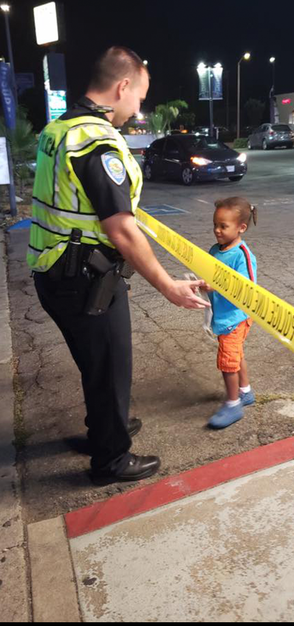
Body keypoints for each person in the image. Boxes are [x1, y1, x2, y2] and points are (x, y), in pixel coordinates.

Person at [28, 46, 209, 484]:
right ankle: (110, 460)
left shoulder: (59, 128)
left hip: (52, 269)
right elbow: (122, 229)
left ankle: (104, 429)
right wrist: (168, 286)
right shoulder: (96, 139)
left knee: (96, 363)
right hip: (84, 277)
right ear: (123, 85)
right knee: (110, 365)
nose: (138, 108)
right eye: (140, 97)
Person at [205, 198, 259, 429]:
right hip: (222, 315)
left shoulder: (242, 255)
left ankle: (233, 403)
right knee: (236, 355)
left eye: (223, 226)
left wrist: (216, 285)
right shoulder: (215, 250)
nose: (217, 230)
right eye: (215, 224)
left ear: (241, 228)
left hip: (236, 317)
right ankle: (245, 392)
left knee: (228, 362)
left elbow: (247, 287)